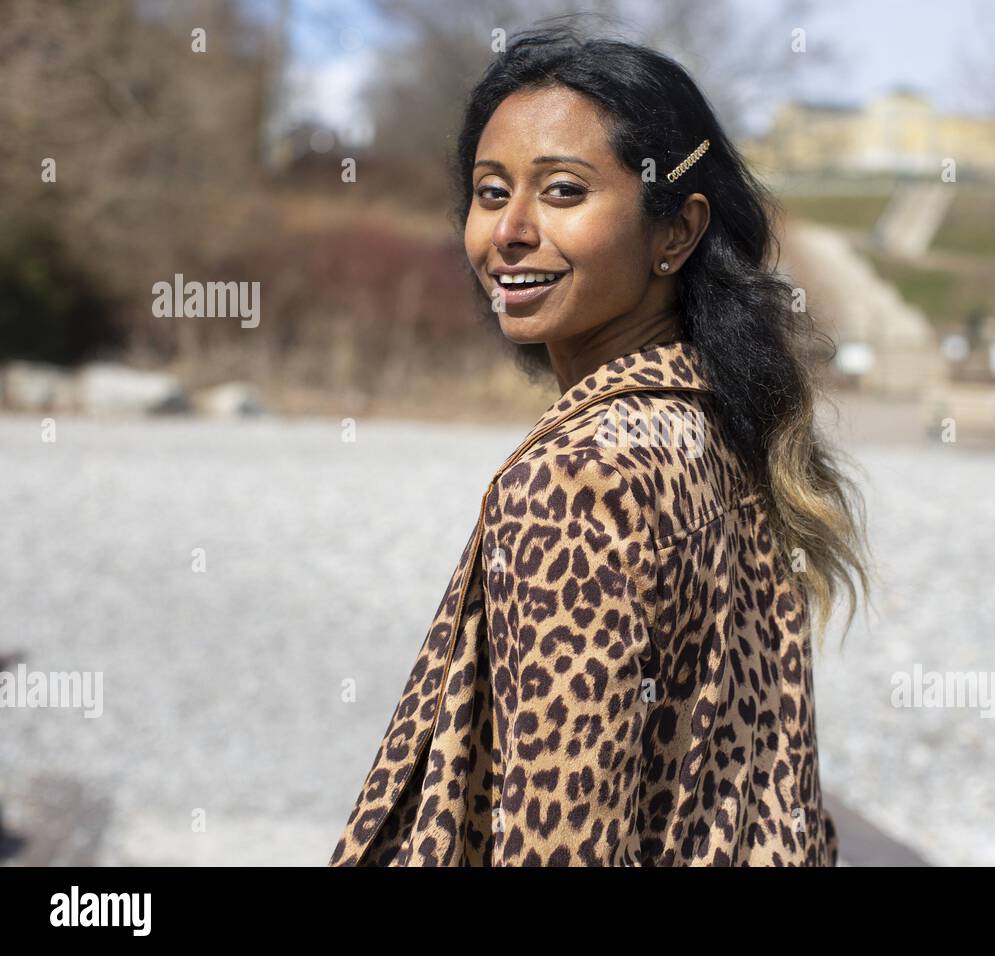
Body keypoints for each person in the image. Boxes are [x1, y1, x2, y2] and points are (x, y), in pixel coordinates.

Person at [329, 20, 870, 867]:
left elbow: (559, 838)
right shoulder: (719, 428)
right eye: (490, 190)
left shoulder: (580, 479)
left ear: (674, 233)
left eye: (564, 192)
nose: (507, 231)